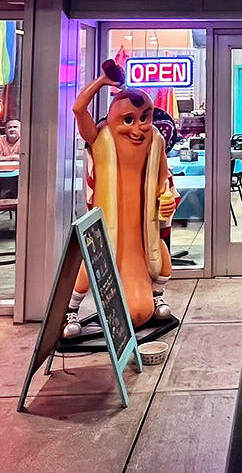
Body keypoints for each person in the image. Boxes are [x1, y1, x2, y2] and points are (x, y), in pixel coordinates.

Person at [63, 62, 177, 337]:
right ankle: (70, 311)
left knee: (159, 259)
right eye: (128, 120)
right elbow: (79, 108)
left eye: (144, 118)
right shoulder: (100, 137)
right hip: (108, 222)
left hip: (142, 228)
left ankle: (157, 294)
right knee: (92, 263)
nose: (137, 129)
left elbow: (164, 180)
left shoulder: (156, 142)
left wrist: (167, 198)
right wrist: (102, 81)